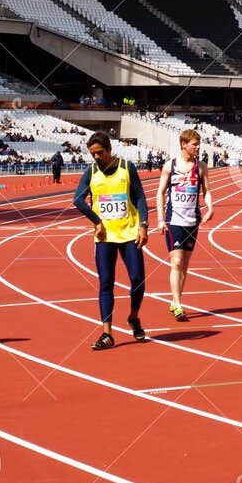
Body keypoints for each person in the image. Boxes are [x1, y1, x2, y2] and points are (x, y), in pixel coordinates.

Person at [74, 132, 150, 351]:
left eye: (99, 153)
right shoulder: (91, 172)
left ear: (109, 149)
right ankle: (107, 333)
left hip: (129, 234)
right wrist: (96, 221)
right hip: (104, 237)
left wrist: (143, 225)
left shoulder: (127, 168)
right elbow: (77, 199)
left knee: (138, 279)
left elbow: (140, 197)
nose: (96, 157)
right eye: (92, 154)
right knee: (106, 282)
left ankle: (133, 317)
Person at [155, 129, 212, 322]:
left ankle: (175, 299)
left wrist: (210, 207)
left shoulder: (201, 167)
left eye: (198, 144)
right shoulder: (169, 166)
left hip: (192, 220)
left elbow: (207, 191)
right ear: (183, 144)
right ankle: (178, 304)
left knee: (185, 265)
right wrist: (161, 219)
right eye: (194, 144)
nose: (197, 147)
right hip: (174, 220)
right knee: (176, 262)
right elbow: (160, 193)